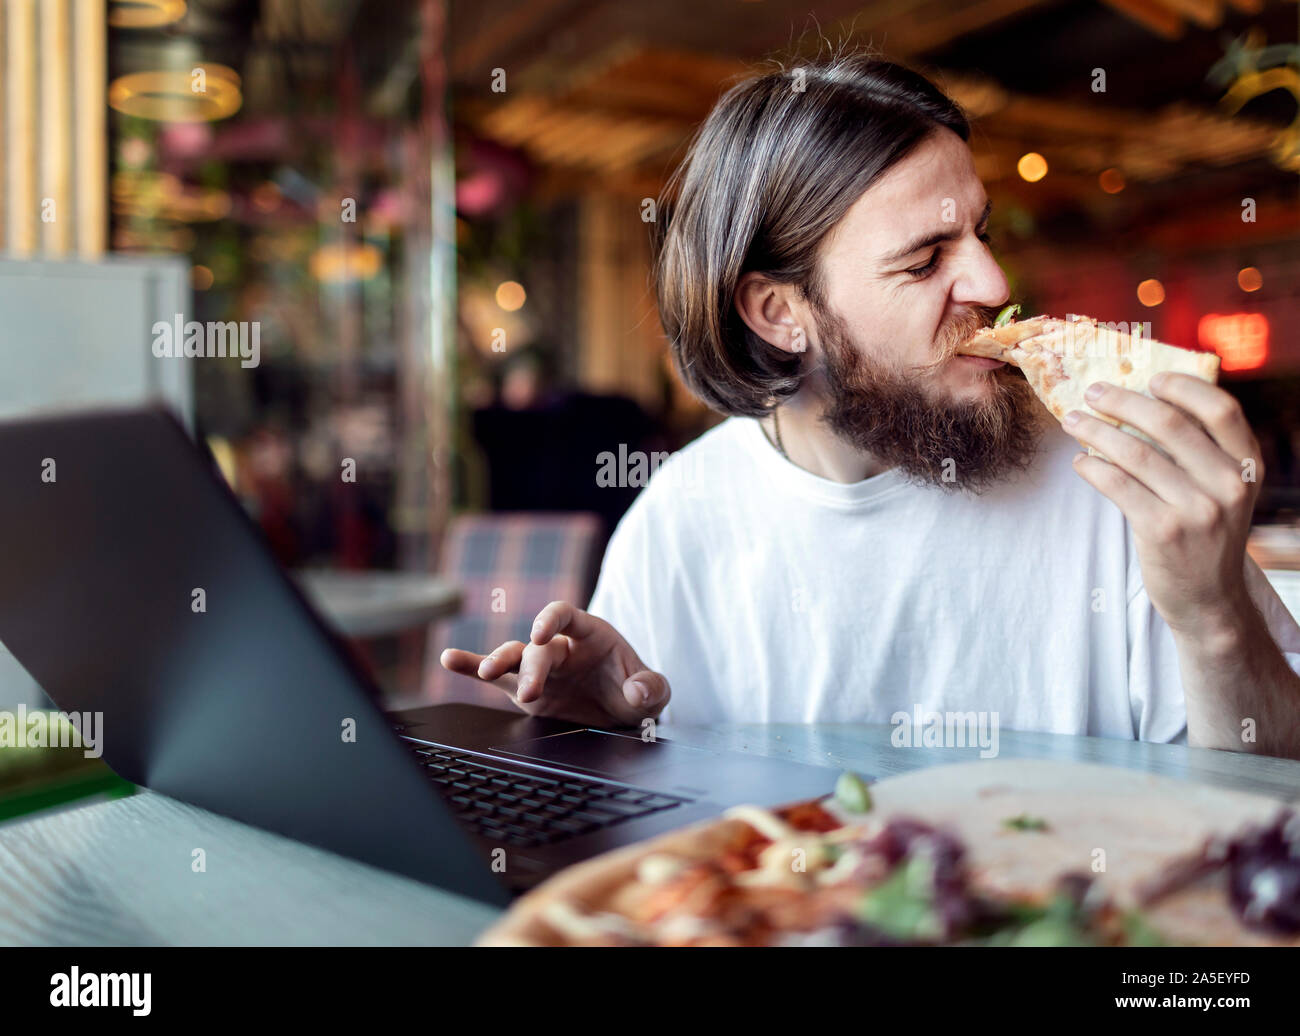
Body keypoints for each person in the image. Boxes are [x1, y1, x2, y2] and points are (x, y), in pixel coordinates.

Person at [442, 49, 1300, 757]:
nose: (996, 284)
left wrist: (1214, 613)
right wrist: (606, 742)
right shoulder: (680, 523)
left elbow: (1271, 820)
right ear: (781, 314)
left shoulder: (1116, 478)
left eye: (982, 233)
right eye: (926, 259)